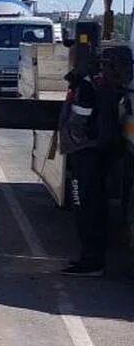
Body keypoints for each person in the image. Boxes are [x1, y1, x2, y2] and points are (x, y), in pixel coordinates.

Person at [58, 43, 125, 276]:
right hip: (93, 153)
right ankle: (91, 258)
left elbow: (80, 120)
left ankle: (91, 261)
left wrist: (73, 139)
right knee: (91, 205)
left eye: (72, 55)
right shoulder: (94, 82)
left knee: (84, 206)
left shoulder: (84, 85)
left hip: (84, 154)